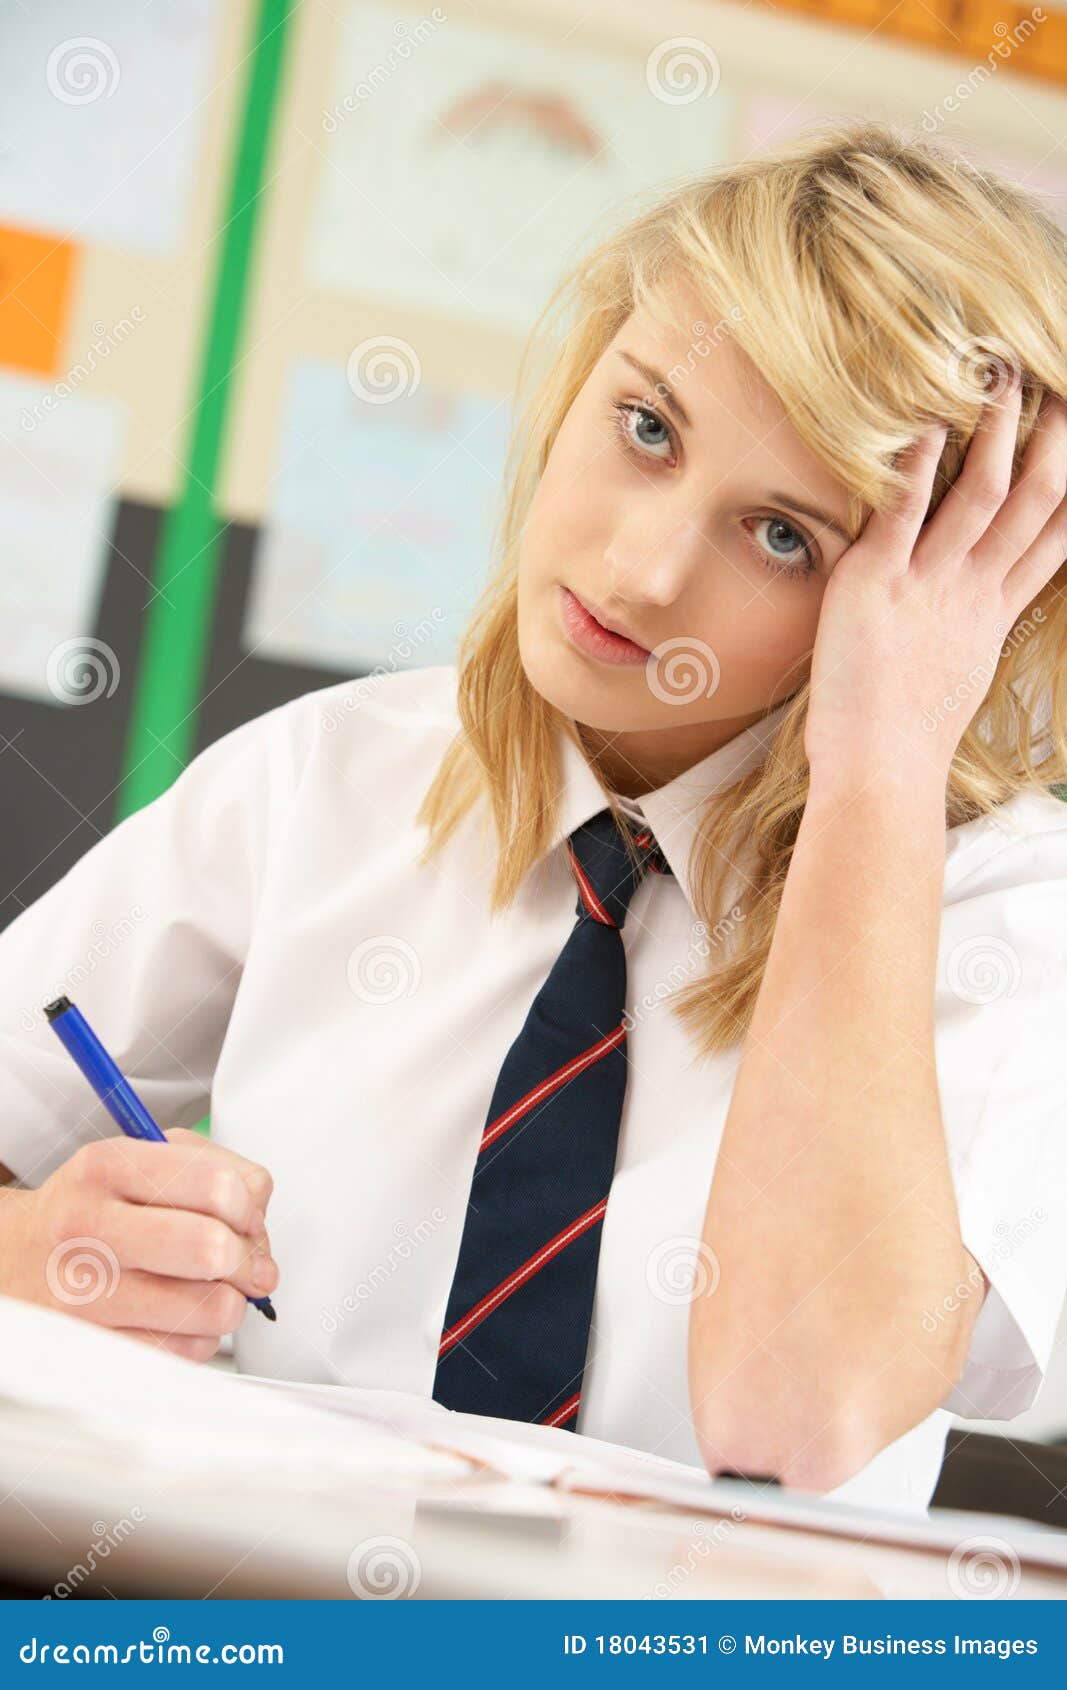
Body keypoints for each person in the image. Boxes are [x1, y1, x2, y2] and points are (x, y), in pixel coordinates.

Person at [0, 118, 1065, 1513]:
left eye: (786, 534)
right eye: (648, 428)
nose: (644, 566)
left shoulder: (1004, 916)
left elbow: (798, 1418)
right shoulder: (329, 778)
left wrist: (883, 756)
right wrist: (29, 1253)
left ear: (938, 592)